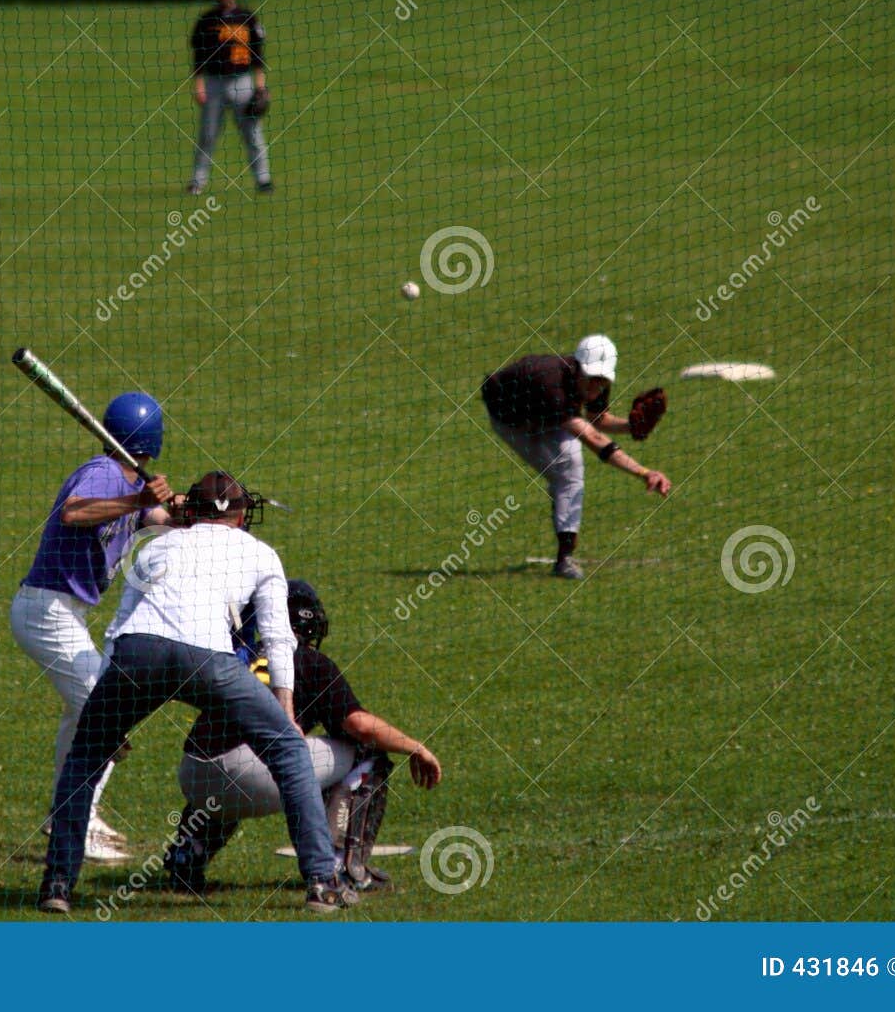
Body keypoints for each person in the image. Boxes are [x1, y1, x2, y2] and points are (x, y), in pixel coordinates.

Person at [37, 472, 357, 915]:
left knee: (85, 757)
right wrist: (285, 709)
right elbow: (278, 638)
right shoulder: (261, 553)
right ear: (242, 516)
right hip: (207, 660)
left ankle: (57, 885)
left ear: (193, 510)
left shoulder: (158, 546)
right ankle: (322, 881)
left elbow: (118, 627)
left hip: (137, 654)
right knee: (288, 751)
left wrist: (107, 706)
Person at [163, 578, 442, 894]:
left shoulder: (239, 655)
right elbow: (360, 726)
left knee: (228, 760)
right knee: (368, 752)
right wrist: (415, 747)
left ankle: (189, 854)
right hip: (249, 776)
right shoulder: (309, 661)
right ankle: (343, 864)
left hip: (192, 775)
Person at [10, 392, 175, 864]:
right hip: (45, 611)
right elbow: (73, 512)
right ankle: (75, 822)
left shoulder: (127, 478)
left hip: (61, 614)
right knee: (105, 718)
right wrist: (136, 499)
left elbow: (162, 518)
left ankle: (67, 815)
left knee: (81, 716)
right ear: (153, 439)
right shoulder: (104, 473)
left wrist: (200, 509)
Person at [482, 334, 671, 579]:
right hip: (512, 420)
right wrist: (644, 472)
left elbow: (597, 420)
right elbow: (593, 439)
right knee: (566, 467)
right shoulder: (551, 384)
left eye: (602, 381)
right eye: (592, 379)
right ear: (578, 367)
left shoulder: (596, 382)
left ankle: (564, 558)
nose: (596, 387)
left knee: (571, 469)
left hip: (547, 413)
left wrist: (630, 426)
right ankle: (564, 554)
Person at [186, 0, 272, 196]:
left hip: (242, 81)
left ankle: (263, 180)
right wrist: (199, 85)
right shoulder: (206, 21)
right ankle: (197, 181)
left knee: (252, 133)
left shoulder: (248, 17)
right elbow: (199, 57)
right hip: (213, 83)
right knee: (208, 134)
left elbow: (258, 56)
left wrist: (261, 86)